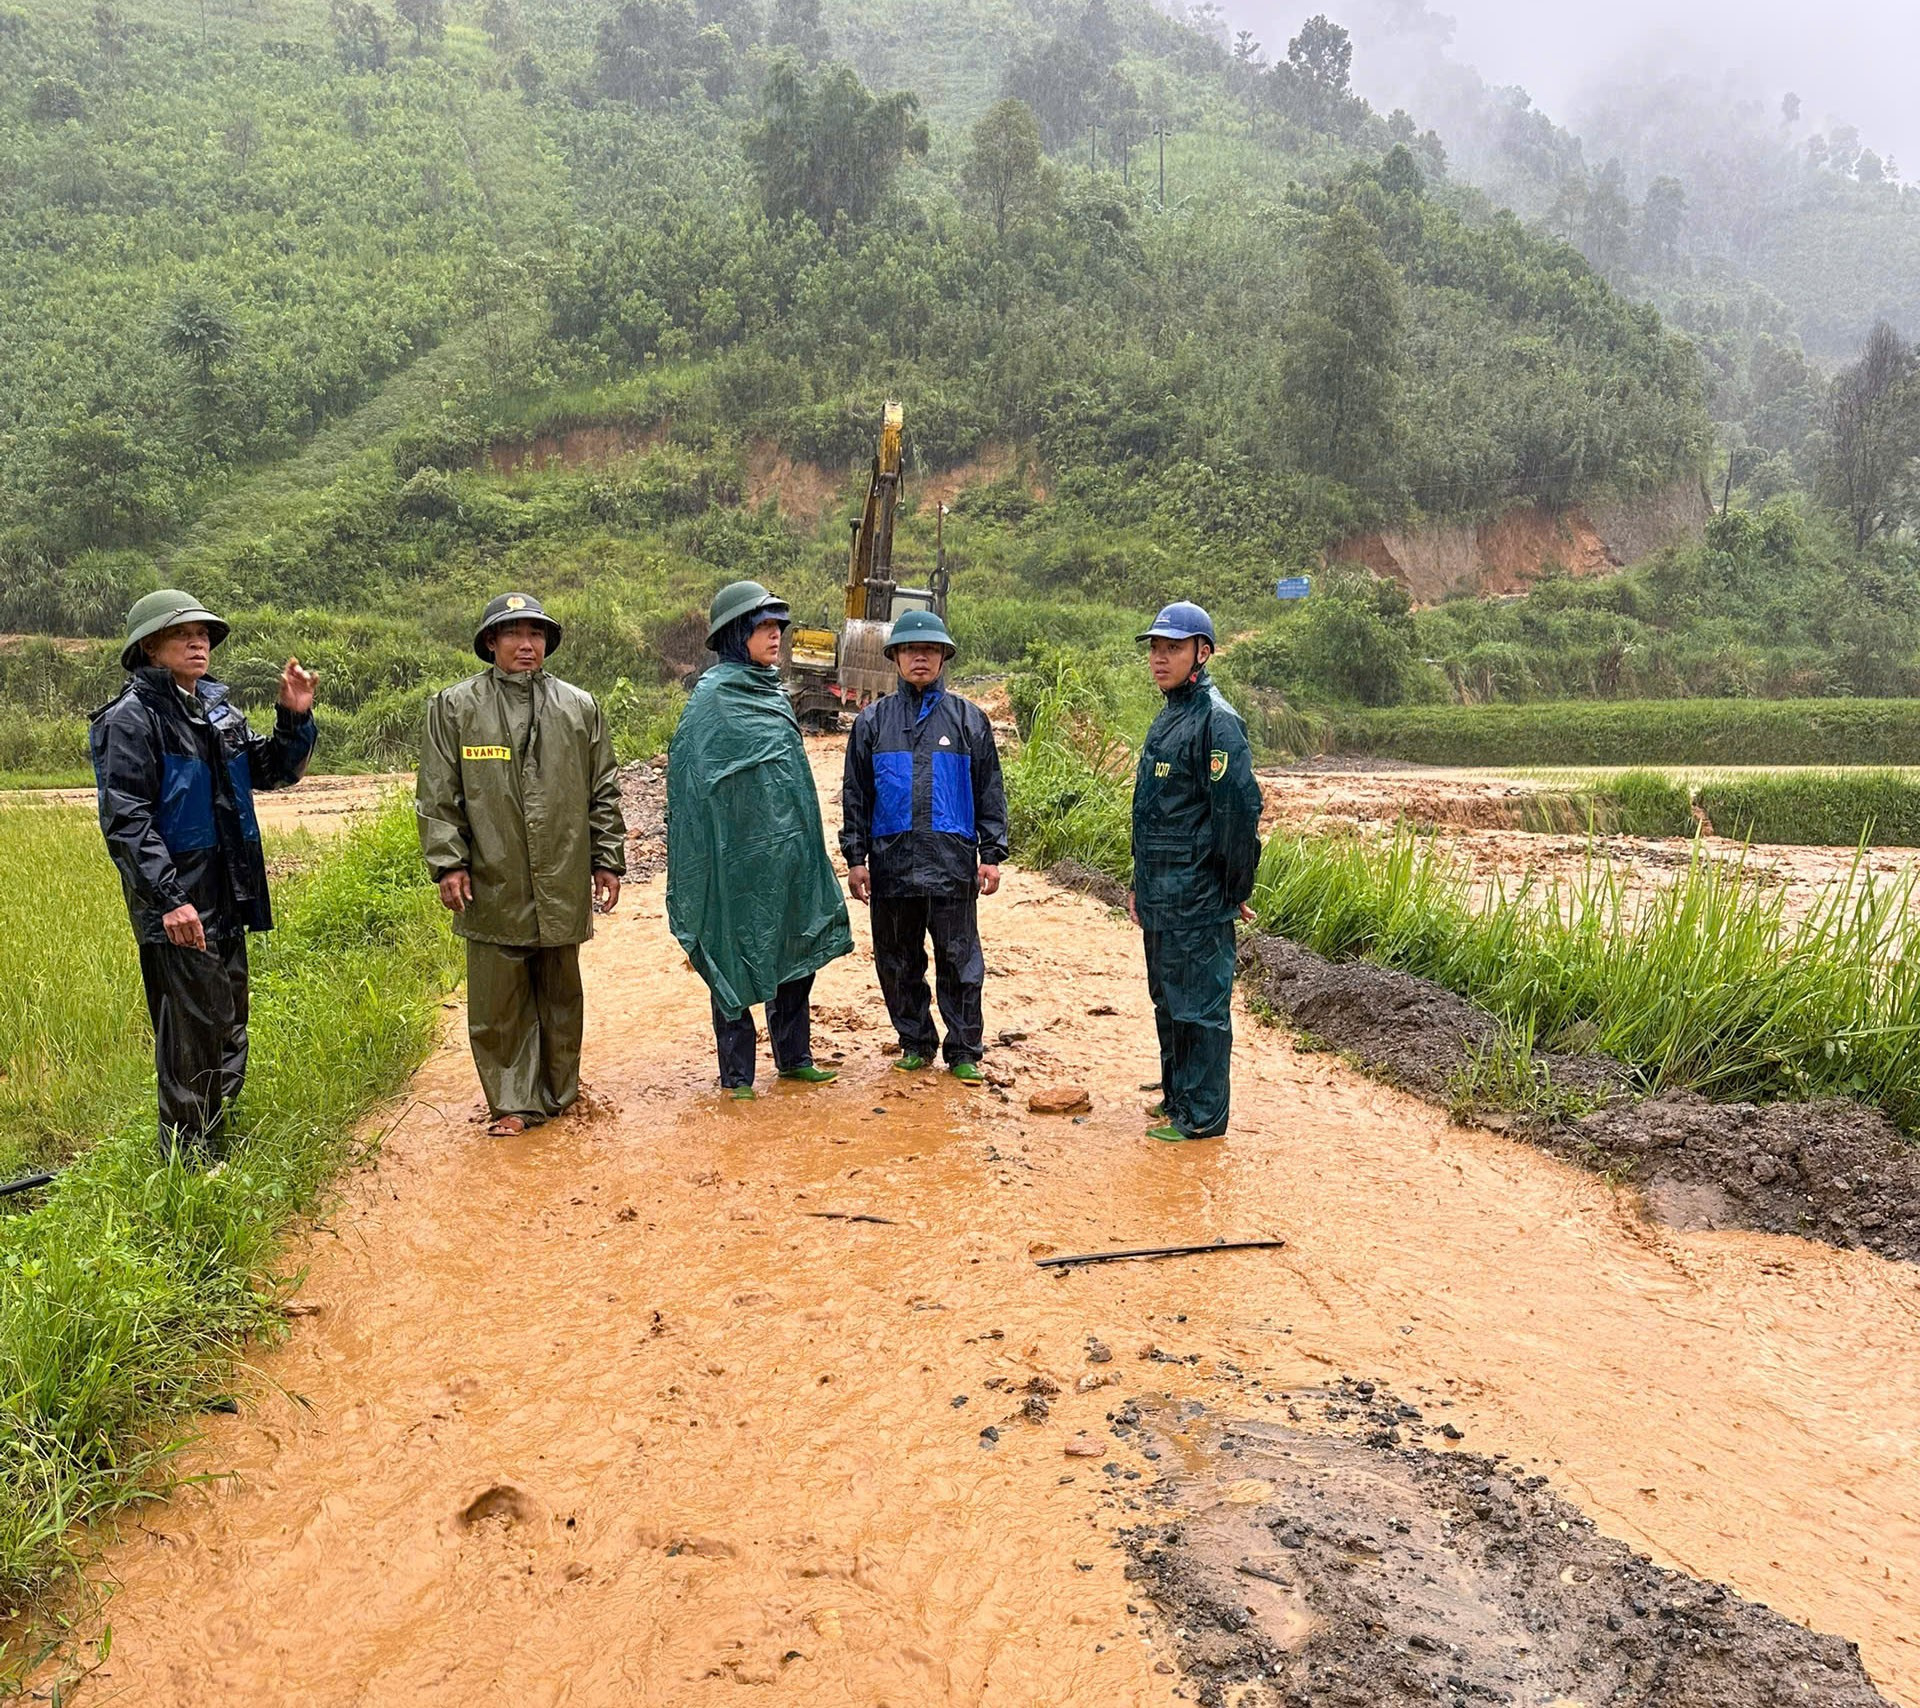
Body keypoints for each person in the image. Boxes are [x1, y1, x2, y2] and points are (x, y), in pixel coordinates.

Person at [90, 589, 318, 1162]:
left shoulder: (218, 711)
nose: (198, 642)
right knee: (190, 1028)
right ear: (148, 647)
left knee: (227, 1016)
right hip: (178, 900)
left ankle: (218, 1133)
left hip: (228, 890)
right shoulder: (132, 720)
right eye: (182, 634)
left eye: (204, 635)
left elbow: (272, 771)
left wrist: (294, 718)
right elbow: (127, 818)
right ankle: (189, 1162)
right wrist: (169, 899)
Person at [416, 593, 626, 1136]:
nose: (526, 644)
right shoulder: (456, 707)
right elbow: (439, 794)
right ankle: (513, 1102)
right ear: (491, 642)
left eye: (535, 634)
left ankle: (559, 1094)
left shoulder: (579, 707)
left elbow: (602, 789)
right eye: (513, 634)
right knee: (499, 998)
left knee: (560, 991)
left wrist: (607, 859)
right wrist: (449, 864)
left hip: (562, 870)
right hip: (493, 873)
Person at [667, 580, 853, 1098]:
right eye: (764, 626)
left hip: (787, 848)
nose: (777, 636)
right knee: (732, 947)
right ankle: (738, 1076)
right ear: (735, 633)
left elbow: (790, 777)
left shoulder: (775, 694)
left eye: (778, 626)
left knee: (796, 940)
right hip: (733, 856)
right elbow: (693, 782)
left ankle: (794, 1058)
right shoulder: (711, 698)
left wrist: (803, 844)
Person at [840, 608, 1008, 1082]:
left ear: (943, 658)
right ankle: (915, 1042)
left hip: (953, 865)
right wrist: (856, 858)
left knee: (960, 961)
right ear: (895, 657)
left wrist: (991, 855)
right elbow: (856, 794)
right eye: (911, 650)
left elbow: (989, 790)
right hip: (891, 866)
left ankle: (964, 1052)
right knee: (896, 960)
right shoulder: (872, 723)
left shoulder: (969, 720)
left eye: (930, 650)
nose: (920, 658)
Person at [1127, 601, 1264, 1143]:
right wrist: (1140, 886)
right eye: (1156, 649)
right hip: (1161, 893)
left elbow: (1238, 813)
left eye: (1173, 649)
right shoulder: (1169, 715)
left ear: (1201, 653)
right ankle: (1176, 1095)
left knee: (1201, 1009)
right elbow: (1153, 813)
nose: (1160, 659)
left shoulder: (1217, 720)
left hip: (1199, 895)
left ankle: (1202, 1118)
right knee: (1168, 1001)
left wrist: (1235, 889)